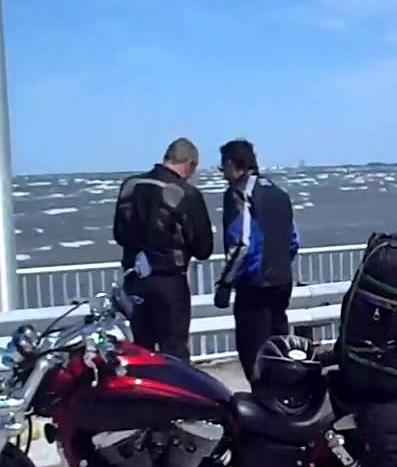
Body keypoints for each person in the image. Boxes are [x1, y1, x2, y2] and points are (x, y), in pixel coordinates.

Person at [113, 137, 213, 362]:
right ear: (190, 164)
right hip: (169, 281)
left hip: (134, 280)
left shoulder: (130, 186)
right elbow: (203, 248)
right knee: (174, 351)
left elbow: (119, 234)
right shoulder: (186, 193)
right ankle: (174, 396)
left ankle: (141, 394)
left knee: (140, 349)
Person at [213, 139, 300, 381]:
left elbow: (242, 242)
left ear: (231, 163)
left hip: (255, 286)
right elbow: (293, 240)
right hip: (282, 281)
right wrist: (279, 265)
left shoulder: (239, 193)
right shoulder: (278, 192)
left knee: (254, 354)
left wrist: (225, 283)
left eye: (223, 168)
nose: (223, 175)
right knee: (279, 349)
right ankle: (287, 400)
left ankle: (264, 406)